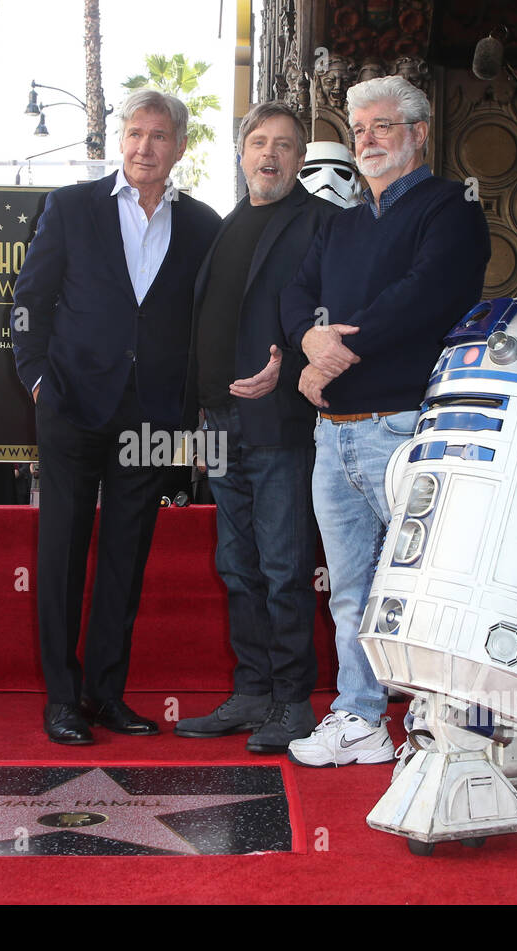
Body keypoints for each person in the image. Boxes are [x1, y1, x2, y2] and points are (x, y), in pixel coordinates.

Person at [278, 75, 490, 767]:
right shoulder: (339, 223)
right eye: (359, 128)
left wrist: (339, 349)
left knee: (425, 585)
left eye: (383, 127)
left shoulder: (450, 206)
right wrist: (312, 342)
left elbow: (426, 294)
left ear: (419, 133)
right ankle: (360, 719)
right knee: (350, 592)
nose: (367, 139)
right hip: (332, 434)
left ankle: (435, 729)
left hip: (407, 427)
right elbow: (297, 291)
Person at [13, 88, 220, 745]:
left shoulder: (203, 225)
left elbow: (205, 325)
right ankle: (62, 699)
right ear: (120, 138)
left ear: (179, 147)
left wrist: (192, 414)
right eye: (134, 133)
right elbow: (29, 302)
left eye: (159, 136)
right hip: (71, 406)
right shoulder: (71, 207)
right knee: (63, 553)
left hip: (154, 419)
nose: (144, 147)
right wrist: (38, 379)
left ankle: (105, 694)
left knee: (125, 561)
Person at [174, 101, 340, 754]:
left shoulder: (324, 223)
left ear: (301, 160)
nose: (269, 155)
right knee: (236, 565)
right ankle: (251, 692)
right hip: (218, 422)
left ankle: (292, 702)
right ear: (241, 153)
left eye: (285, 145)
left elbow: (337, 317)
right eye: (259, 143)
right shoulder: (225, 226)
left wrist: (292, 363)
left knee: (282, 564)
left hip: (281, 423)